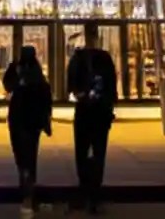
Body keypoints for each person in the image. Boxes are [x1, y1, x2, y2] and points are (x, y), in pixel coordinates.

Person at [66, 22, 117, 214]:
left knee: (83, 151)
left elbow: (70, 83)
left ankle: (86, 189)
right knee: (98, 151)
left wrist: (79, 94)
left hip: (86, 112)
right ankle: (93, 191)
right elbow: (112, 85)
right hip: (99, 113)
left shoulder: (78, 58)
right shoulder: (104, 58)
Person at [2, 45, 53, 216]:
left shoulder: (17, 71)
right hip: (33, 121)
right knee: (30, 154)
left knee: (20, 154)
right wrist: (46, 121)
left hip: (18, 119)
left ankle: (25, 183)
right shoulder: (37, 75)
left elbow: (7, 85)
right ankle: (29, 186)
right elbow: (47, 98)